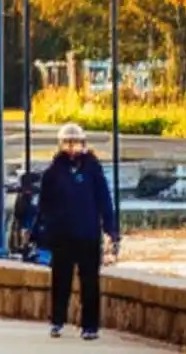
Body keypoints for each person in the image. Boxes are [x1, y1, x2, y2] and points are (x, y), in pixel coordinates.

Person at [37, 122, 118, 341]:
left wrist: (111, 230)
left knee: (90, 281)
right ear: (61, 145)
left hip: (88, 234)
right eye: (68, 143)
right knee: (60, 279)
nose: (72, 148)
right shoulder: (52, 173)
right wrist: (44, 231)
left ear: (84, 144)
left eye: (76, 143)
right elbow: (44, 206)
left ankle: (90, 325)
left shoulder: (93, 169)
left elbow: (104, 200)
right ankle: (57, 320)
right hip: (62, 235)